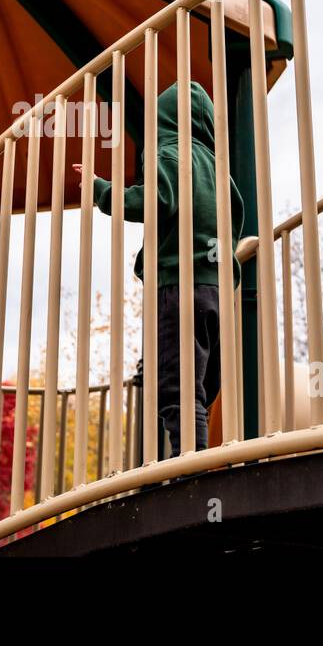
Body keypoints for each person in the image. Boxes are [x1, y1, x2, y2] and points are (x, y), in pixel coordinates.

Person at [74, 80, 243, 455]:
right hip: (217, 289)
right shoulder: (221, 172)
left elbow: (153, 200)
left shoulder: (170, 154)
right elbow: (236, 218)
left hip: (179, 286)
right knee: (204, 384)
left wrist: (100, 189)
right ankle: (198, 454)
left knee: (176, 387)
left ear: (163, 123)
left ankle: (191, 464)